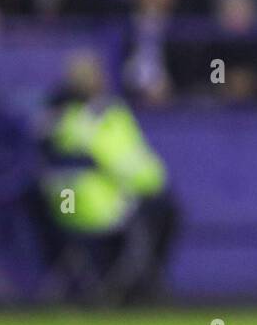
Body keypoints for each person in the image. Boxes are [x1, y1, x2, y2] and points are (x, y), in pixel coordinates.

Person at [34, 51, 178, 306]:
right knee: (163, 209)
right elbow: (127, 165)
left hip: (63, 209)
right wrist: (154, 182)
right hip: (101, 205)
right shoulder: (98, 118)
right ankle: (133, 289)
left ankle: (126, 285)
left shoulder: (55, 118)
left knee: (158, 210)